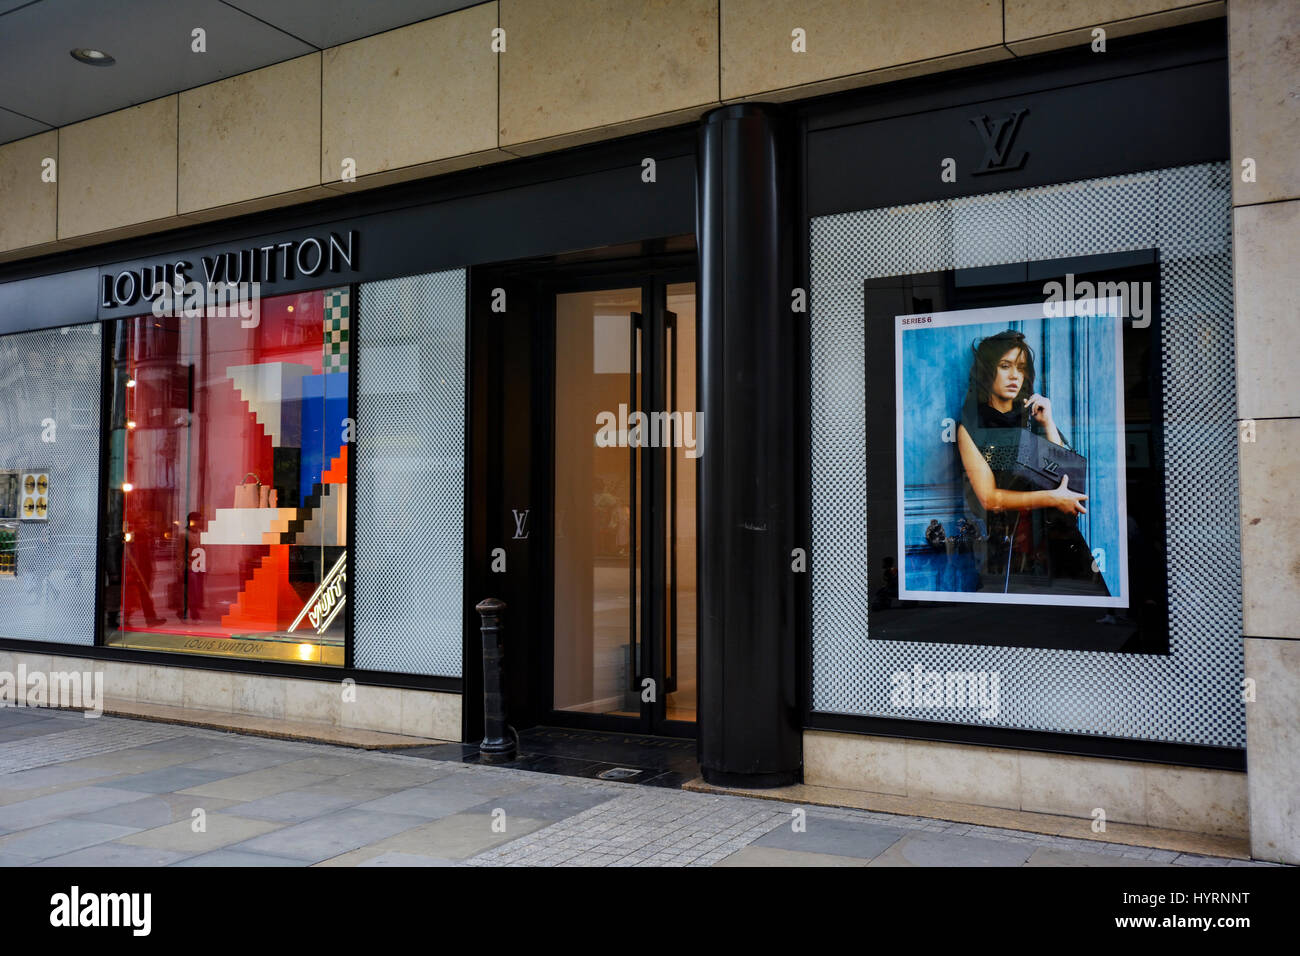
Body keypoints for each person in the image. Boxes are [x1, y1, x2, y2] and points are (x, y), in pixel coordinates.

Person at [954, 330, 1106, 596]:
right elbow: (989, 499)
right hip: (1006, 542)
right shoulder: (970, 426)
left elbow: (1068, 478)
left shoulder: (1032, 417)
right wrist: (1052, 499)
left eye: (1021, 368)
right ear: (987, 371)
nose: (1014, 375)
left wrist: (1047, 424)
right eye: (1005, 366)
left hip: (1055, 536)